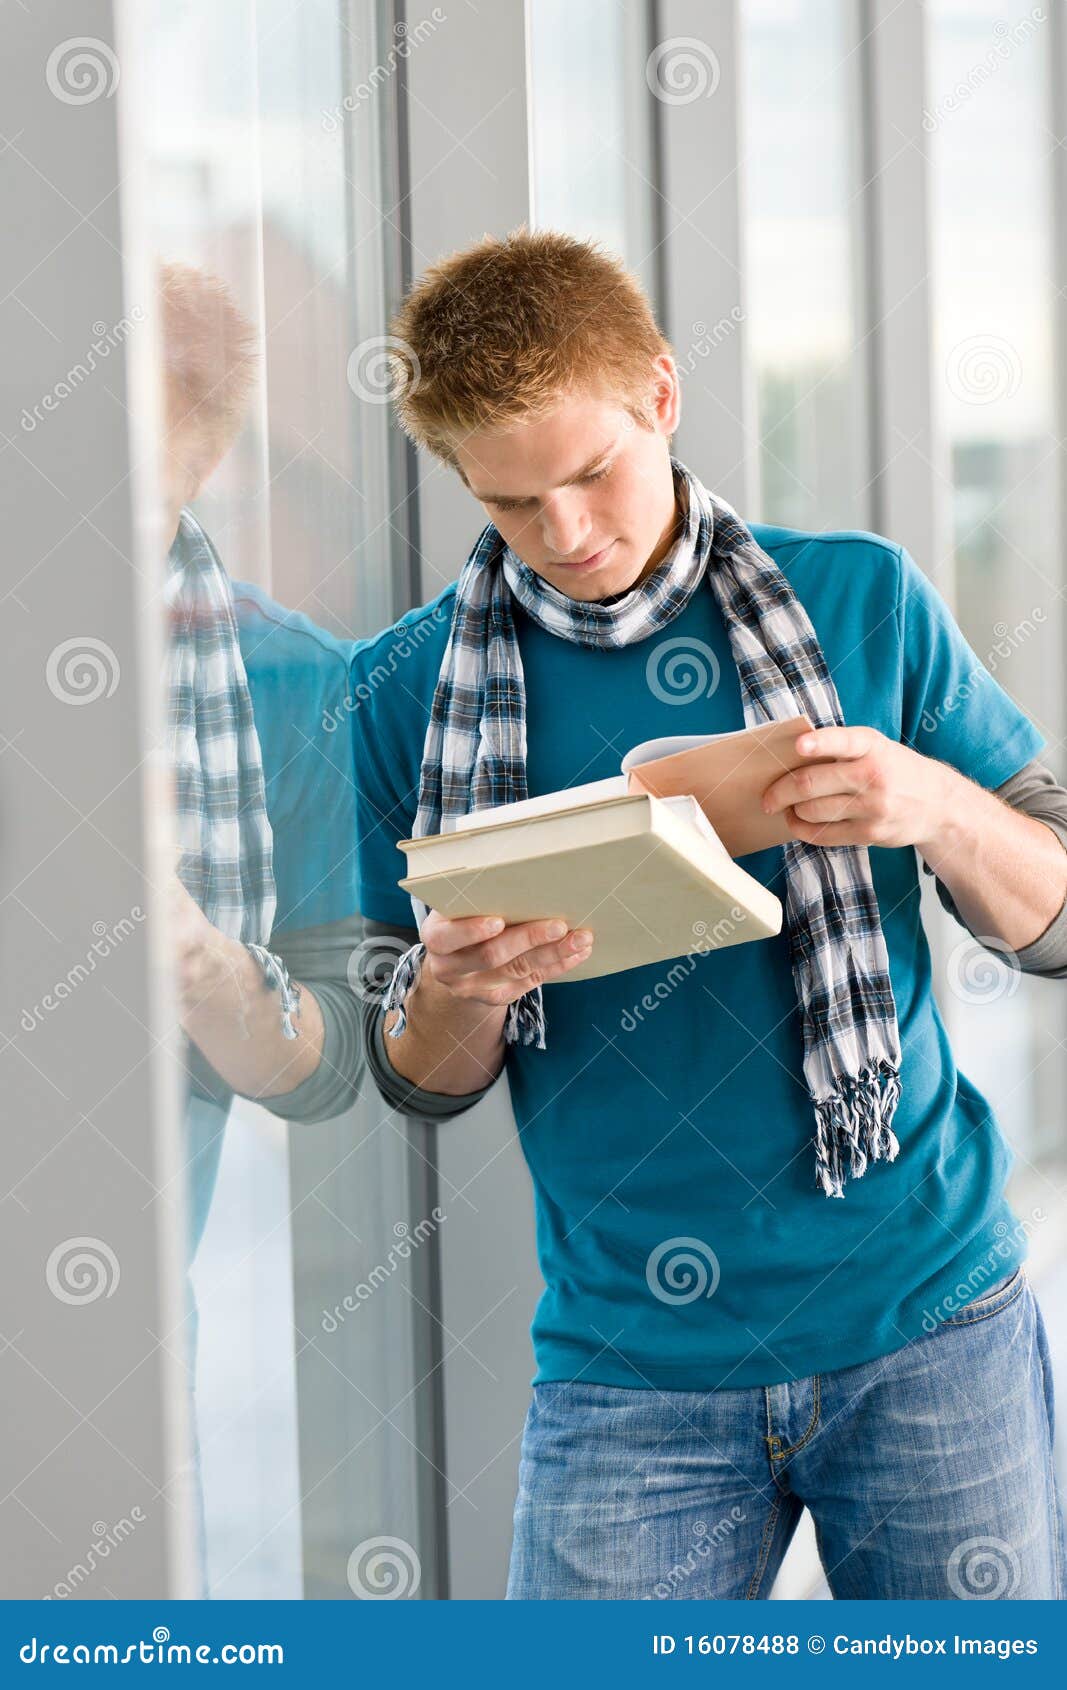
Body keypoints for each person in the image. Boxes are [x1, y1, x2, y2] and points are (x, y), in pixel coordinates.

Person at [350, 229, 1067, 1600]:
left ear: (662, 398)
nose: (568, 536)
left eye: (592, 472)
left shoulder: (863, 597)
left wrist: (939, 806)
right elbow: (415, 1073)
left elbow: (1059, 911)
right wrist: (460, 992)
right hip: (630, 1369)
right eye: (513, 504)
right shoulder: (408, 695)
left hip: (928, 1319)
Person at [157, 262, 367, 1589]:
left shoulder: (286, 678)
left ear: (202, 449)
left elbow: (331, 1056)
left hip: (107, 1337)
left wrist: (189, 950)